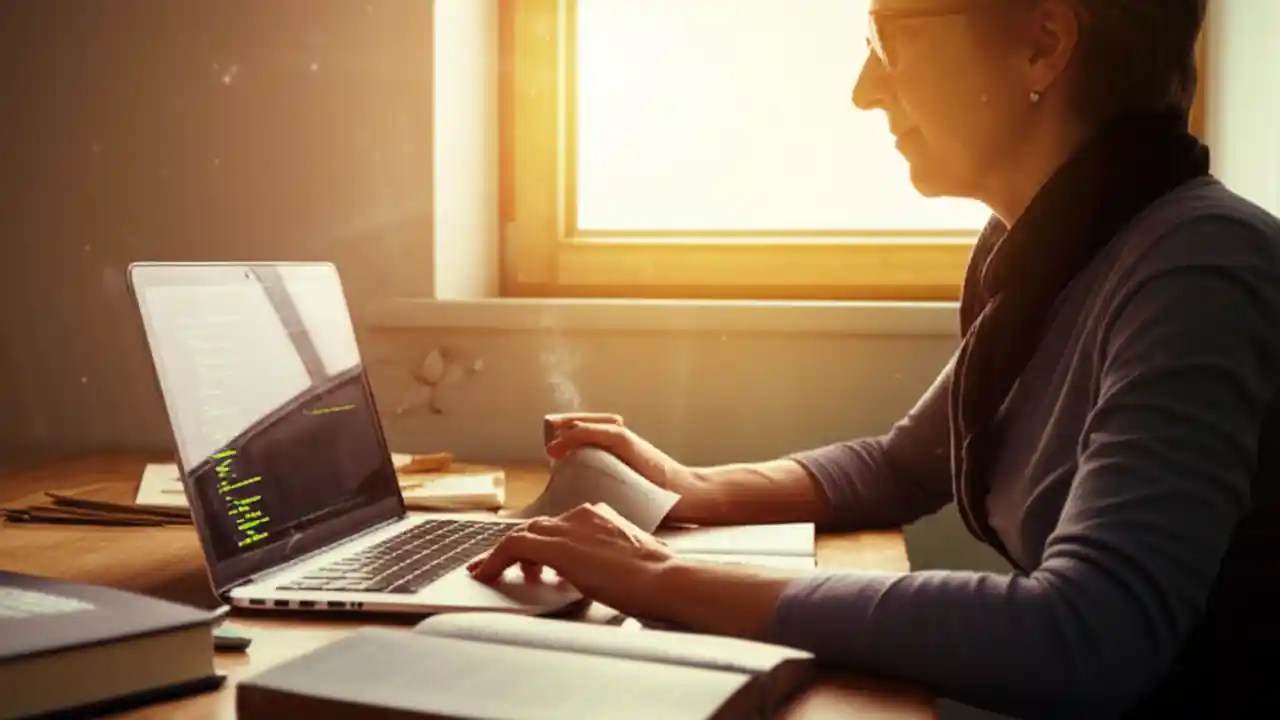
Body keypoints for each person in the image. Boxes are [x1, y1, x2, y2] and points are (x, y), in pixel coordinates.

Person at [468, 1, 1280, 716]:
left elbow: (1088, 636)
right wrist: (688, 488)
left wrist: (661, 580)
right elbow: (902, 466)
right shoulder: (1045, 246)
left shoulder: (1199, 269)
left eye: (887, 34)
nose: (864, 86)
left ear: (1041, 45)